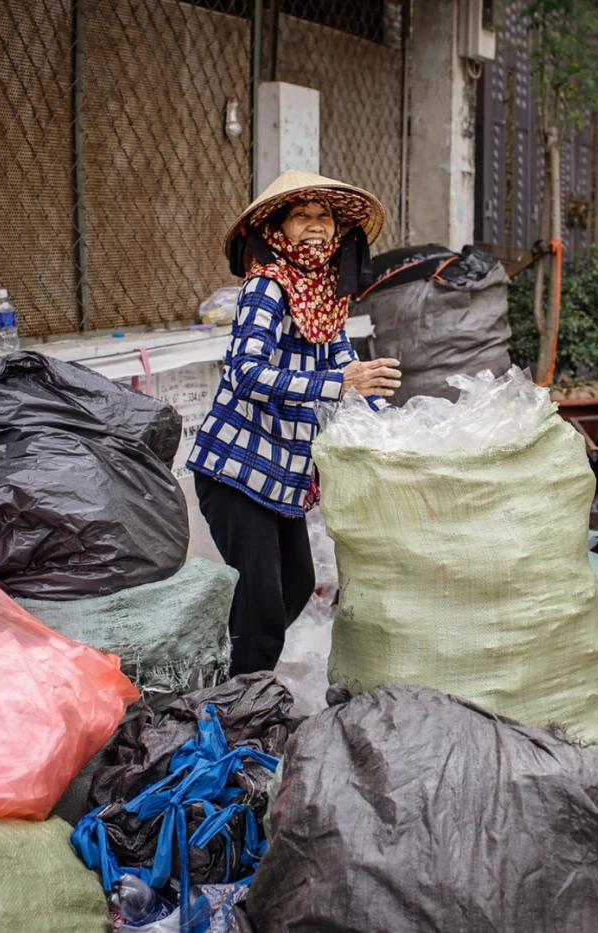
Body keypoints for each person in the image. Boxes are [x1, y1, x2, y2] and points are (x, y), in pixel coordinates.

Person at [188, 171, 401, 677]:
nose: (314, 225)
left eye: (323, 216)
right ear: (278, 228)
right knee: (263, 607)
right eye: (300, 215)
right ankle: (235, 709)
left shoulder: (324, 295)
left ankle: (225, 666)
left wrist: (396, 429)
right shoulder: (267, 287)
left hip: (280, 475)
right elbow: (246, 374)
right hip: (236, 470)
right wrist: (338, 383)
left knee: (297, 585)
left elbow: (348, 370)